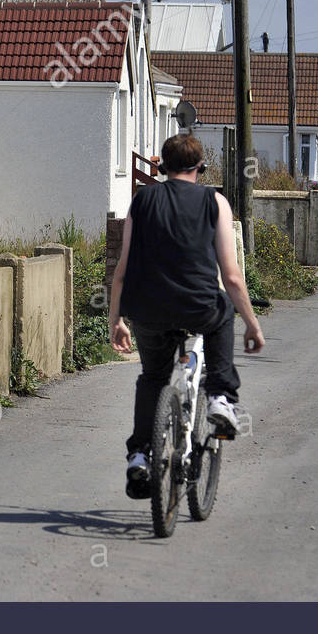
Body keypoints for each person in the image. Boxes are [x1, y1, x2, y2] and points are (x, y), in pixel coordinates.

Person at [108, 133, 264, 499]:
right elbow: (232, 276)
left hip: (146, 309)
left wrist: (116, 320)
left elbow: (121, 267)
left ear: (161, 167)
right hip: (198, 305)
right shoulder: (215, 201)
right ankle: (220, 397)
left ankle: (140, 456)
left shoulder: (142, 200)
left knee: (152, 377)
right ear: (201, 168)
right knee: (223, 309)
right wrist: (253, 324)